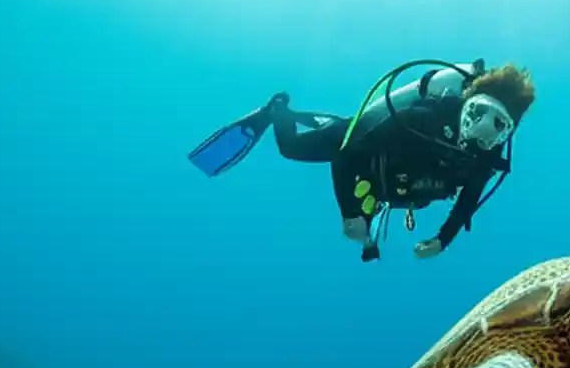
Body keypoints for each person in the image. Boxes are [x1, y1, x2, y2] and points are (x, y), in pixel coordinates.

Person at [187, 59, 535, 261]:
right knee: (292, 148)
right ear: (466, 103)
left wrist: (443, 239)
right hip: (363, 144)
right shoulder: (421, 117)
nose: (483, 131)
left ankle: (321, 124)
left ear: (508, 133)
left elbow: (467, 203)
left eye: (499, 126)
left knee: (365, 209)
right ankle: (277, 111)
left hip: (386, 180)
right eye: (478, 113)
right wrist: (350, 213)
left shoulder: (484, 159)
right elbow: (348, 154)